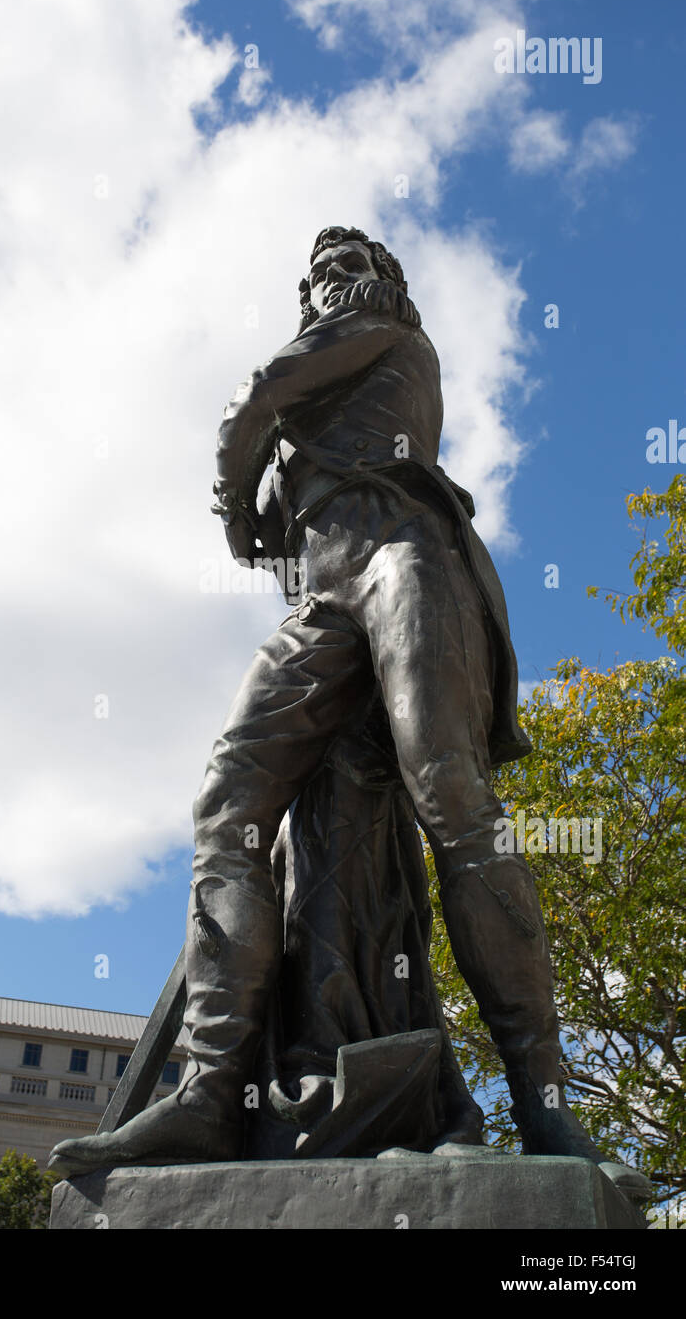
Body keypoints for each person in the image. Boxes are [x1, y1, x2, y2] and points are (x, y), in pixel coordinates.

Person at [49, 227, 630, 1180]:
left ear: (386, 287)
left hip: (407, 566)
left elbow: (252, 402)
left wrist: (233, 503)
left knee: (453, 799)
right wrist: (265, 502)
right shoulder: (326, 406)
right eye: (318, 275)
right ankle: (206, 1091)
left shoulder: (384, 333)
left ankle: (546, 1105)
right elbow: (279, 490)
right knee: (228, 807)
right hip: (326, 602)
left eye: (350, 268)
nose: (332, 285)